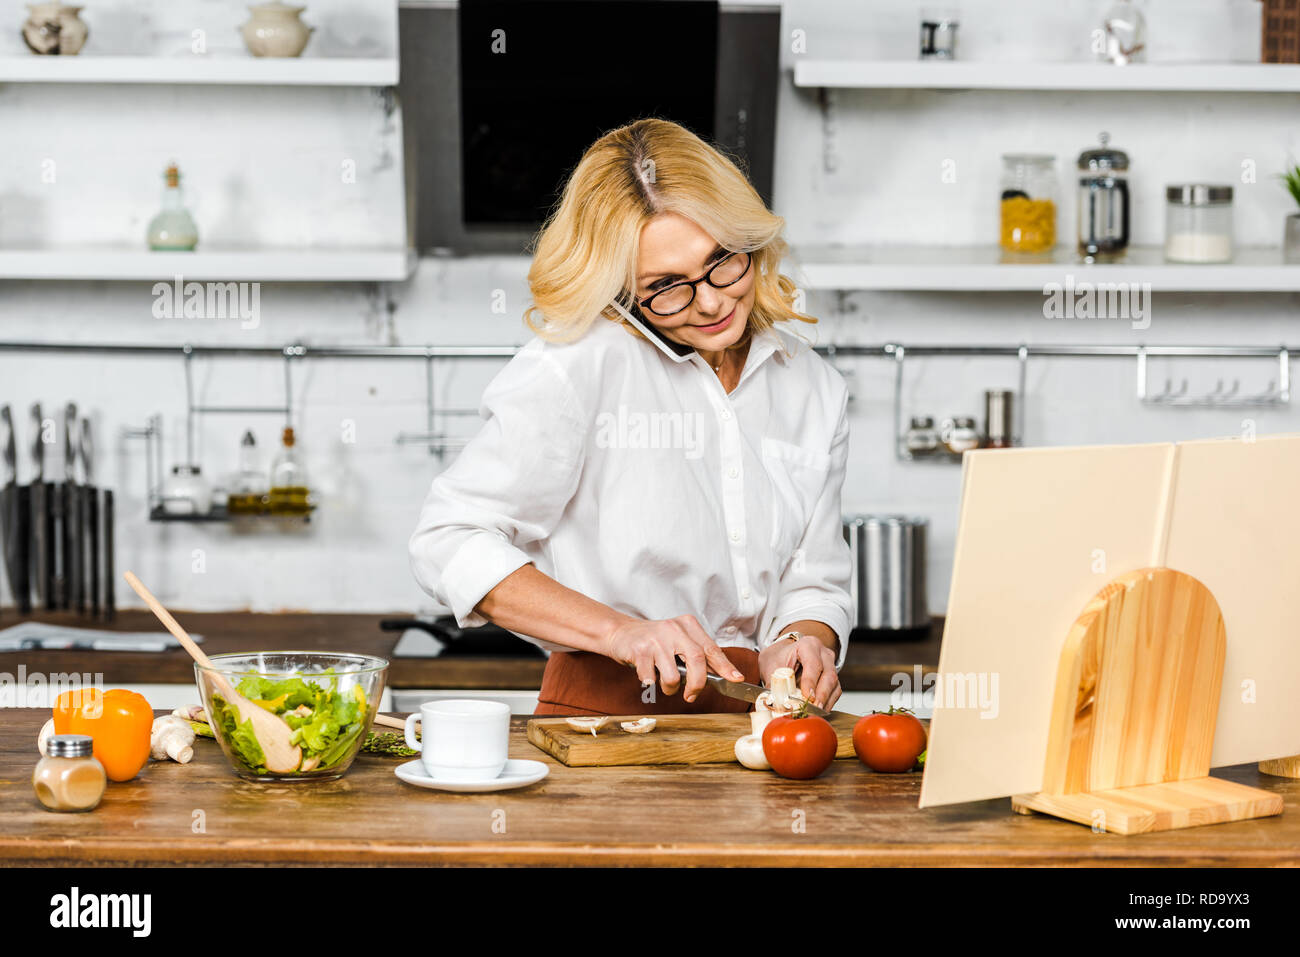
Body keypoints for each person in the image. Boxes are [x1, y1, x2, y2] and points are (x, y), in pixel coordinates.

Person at [409, 117, 852, 716]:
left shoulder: (812, 385)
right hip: (605, 715)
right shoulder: (577, 363)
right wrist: (619, 633)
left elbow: (814, 578)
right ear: (622, 291)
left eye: (723, 261)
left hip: (761, 719)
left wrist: (804, 639)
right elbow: (449, 539)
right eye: (668, 287)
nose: (714, 301)